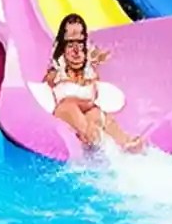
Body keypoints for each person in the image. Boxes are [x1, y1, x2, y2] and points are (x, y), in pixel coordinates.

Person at [45, 13, 145, 153]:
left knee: (98, 114)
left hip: (89, 115)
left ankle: (124, 143)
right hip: (67, 113)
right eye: (70, 44)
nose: (76, 51)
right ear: (62, 47)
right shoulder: (56, 73)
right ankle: (92, 137)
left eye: (80, 44)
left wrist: (95, 61)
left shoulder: (90, 72)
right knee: (71, 107)